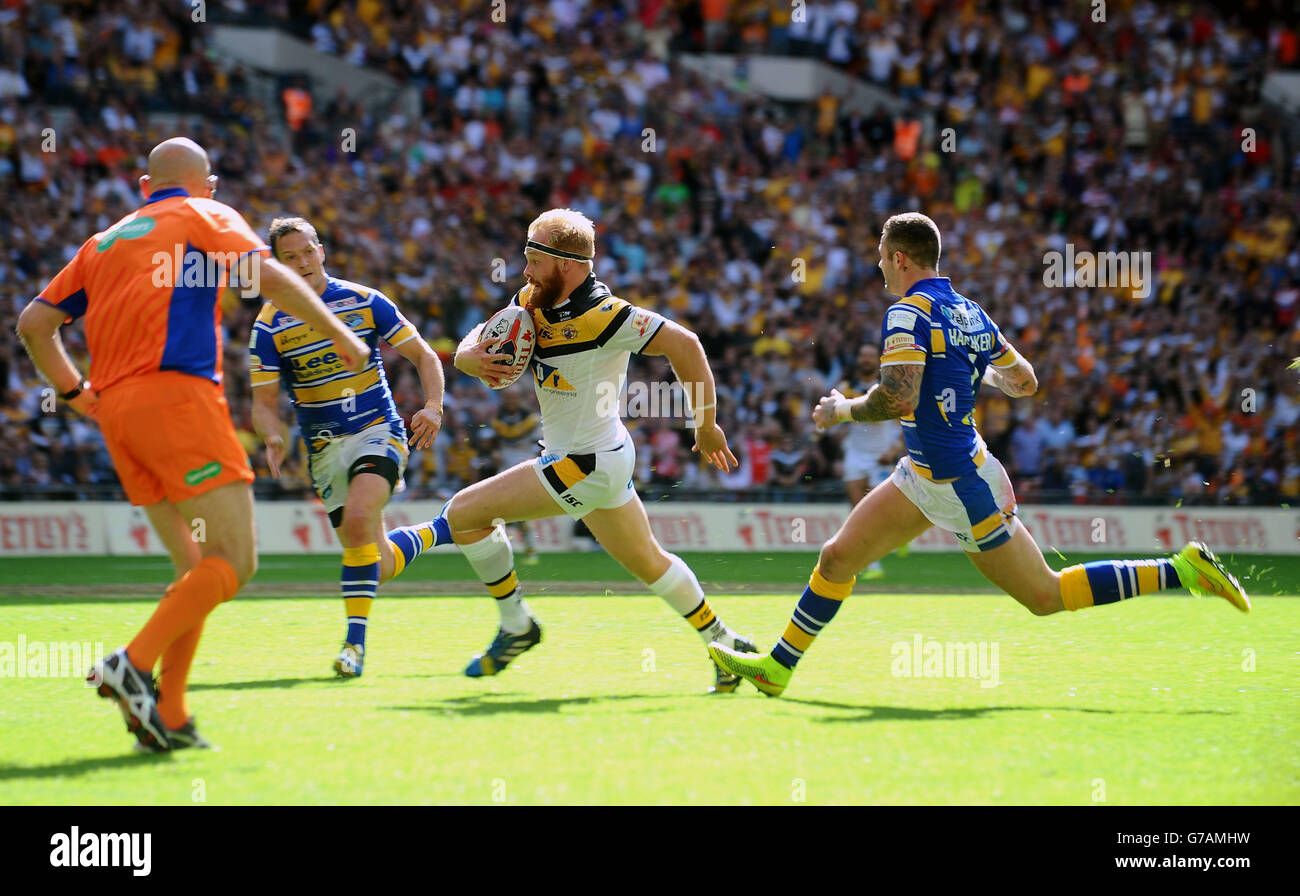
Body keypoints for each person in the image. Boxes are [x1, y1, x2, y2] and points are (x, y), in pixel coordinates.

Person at [710, 212, 1250, 697]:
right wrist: (972, 368)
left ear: (899, 257)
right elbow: (1027, 382)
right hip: (925, 475)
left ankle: (1182, 570)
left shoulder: (906, 313)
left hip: (962, 486)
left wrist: (841, 411)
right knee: (836, 557)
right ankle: (778, 669)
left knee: (1045, 595)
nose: (878, 268)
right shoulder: (971, 313)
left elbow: (899, 396)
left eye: (880, 258)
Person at [15, 137, 367, 750]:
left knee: (195, 568)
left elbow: (34, 325)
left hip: (116, 414)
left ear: (145, 187)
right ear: (207, 185)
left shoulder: (101, 243)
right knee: (236, 559)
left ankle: (169, 717)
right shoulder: (206, 213)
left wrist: (76, 395)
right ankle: (133, 663)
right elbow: (270, 280)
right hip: (177, 398)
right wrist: (340, 332)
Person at [431, 208, 754, 691]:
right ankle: (728, 645)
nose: (524, 268)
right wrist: (467, 358)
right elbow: (472, 345)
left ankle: (517, 626)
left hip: (584, 462)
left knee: (463, 514)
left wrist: (705, 424)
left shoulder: (607, 315)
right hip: (599, 456)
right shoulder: (530, 300)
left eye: (533, 257)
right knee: (649, 561)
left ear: (566, 263)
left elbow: (686, 345)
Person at [249, 217, 447, 678]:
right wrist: (272, 435)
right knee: (377, 562)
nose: (302, 263)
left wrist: (433, 405)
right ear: (278, 266)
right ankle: (442, 530)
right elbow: (262, 404)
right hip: (322, 449)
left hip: (377, 429)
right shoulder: (269, 326)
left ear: (322, 250)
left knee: (358, 518)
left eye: (307, 252)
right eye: (289, 258)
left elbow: (423, 354)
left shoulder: (364, 301)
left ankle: (353, 648)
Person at [838, 343, 906, 579]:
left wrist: (894, 450)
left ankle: (899, 536)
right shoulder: (846, 387)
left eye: (869, 356)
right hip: (856, 454)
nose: (865, 359)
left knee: (879, 510)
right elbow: (835, 411)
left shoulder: (887, 388)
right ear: (858, 360)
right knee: (857, 509)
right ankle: (875, 564)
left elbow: (902, 426)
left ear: (877, 360)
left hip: (880, 456)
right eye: (862, 355)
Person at [491, 386, 543, 564]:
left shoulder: (531, 419)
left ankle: (530, 549)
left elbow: (540, 442)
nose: (510, 401)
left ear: (519, 398)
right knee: (497, 508)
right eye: (507, 397)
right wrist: (494, 452)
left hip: (524, 464)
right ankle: (502, 550)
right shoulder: (498, 417)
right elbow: (493, 441)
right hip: (504, 465)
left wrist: (534, 457)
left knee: (523, 509)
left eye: (513, 397)